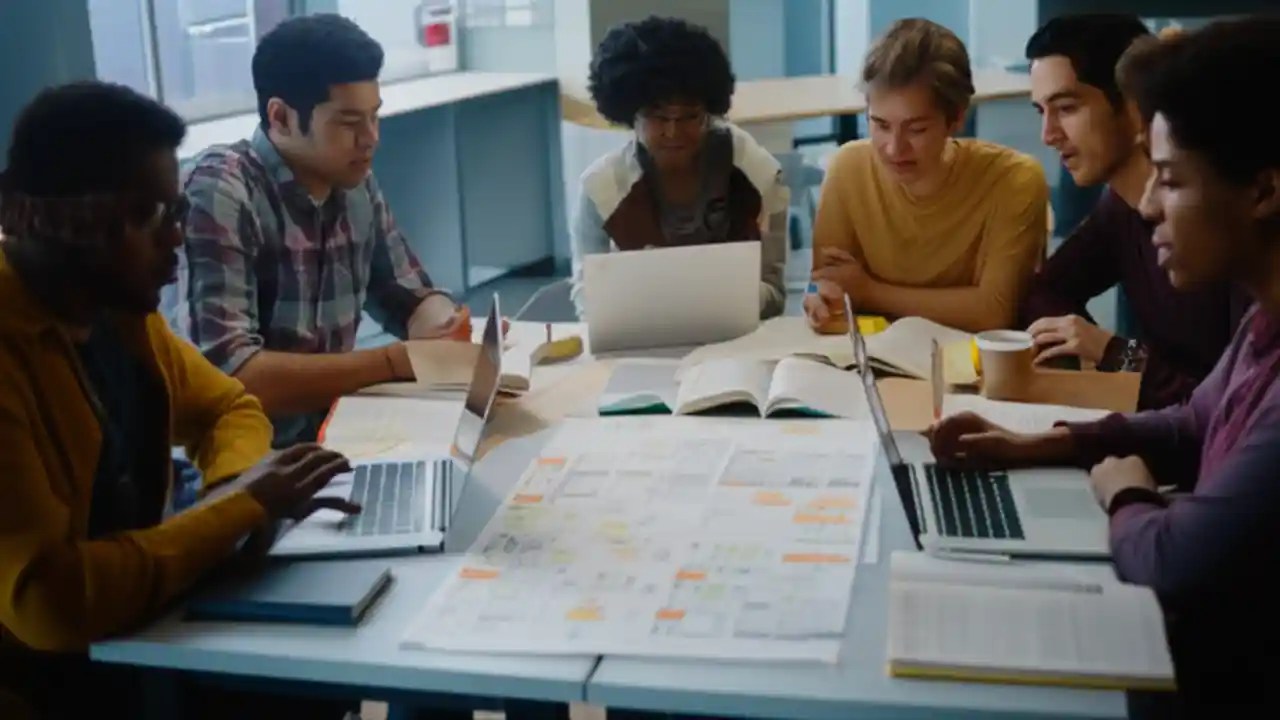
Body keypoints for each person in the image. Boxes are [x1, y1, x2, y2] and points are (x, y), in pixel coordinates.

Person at [931, 18, 1280, 715]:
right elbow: (1191, 422)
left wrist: (1125, 492)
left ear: (1263, 190)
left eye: (1169, 180)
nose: (1147, 204)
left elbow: (1170, 563)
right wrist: (1046, 444)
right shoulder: (1263, 321)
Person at [0, 82, 359, 718]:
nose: (175, 238)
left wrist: (234, 491)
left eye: (176, 211)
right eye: (150, 216)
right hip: (49, 680)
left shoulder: (116, 315)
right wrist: (239, 509)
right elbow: (47, 604)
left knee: (331, 667)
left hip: (133, 628)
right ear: (50, 221)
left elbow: (229, 408)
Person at [179, 14, 467, 447]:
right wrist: (395, 362)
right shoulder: (221, 190)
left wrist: (444, 327)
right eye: (349, 123)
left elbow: (407, 294)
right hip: (246, 462)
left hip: (332, 438)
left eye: (374, 117)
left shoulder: (354, 182)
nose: (371, 139)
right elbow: (231, 375)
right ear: (281, 117)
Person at [1021, 14, 1247, 409]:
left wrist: (1116, 354)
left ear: (1133, 106)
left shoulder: (1222, 222)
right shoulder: (1119, 207)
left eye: (1067, 108)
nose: (1048, 135)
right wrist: (1099, 353)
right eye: (1042, 112)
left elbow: (1226, 407)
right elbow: (1044, 291)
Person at [806, 18, 1049, 334]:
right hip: (869, 354)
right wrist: (819, 296)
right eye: (880, 125)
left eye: (917, 129)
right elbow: (825, 283)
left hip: (968, 358)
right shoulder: (848, 169)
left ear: (957, 118)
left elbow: (993, 312)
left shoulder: (1013, 180)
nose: (894, 148)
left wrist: (870, 291)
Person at [571, 15, 789, 320]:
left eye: (689, 116)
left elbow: (774, 292)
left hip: (737, 337)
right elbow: (587, 299)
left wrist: (707, 298)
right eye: (657, 117)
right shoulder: (601, 190)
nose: (673, 132)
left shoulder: (757, 173)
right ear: (630, 115)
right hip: (641, 337)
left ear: (709, 112)